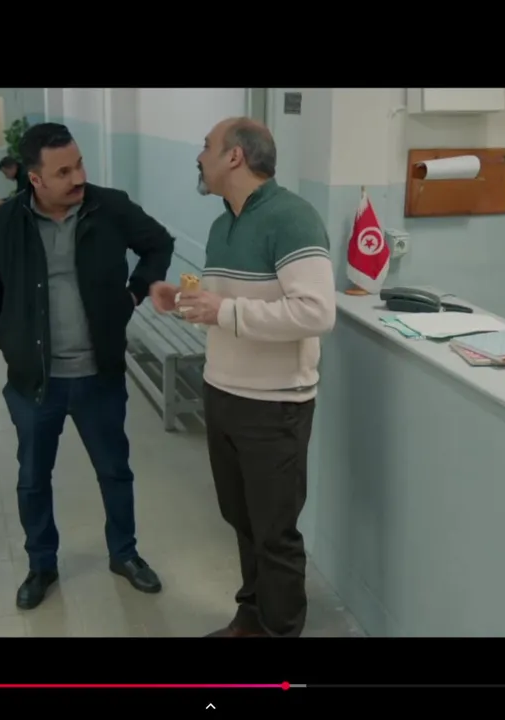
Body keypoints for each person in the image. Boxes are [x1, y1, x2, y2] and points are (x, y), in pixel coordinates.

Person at [0, 122, 179, 610]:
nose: (78, 177)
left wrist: (134, 292)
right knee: (33, 479)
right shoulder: (1, 226)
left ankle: (124, 554)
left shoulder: (110, 207)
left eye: (79, 164)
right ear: (34, 179)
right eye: (63, 172)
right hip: (34, 383)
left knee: (115, 471)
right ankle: (41, 565)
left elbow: (159, 243)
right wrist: (9, 340)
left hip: (99, 376)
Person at [175, 117, 335, 638]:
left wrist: (223, 311)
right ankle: (251, 618)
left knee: (274, 533)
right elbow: (228, 306)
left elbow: (316, 312)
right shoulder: (223, 224)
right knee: (242, 520)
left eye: (207, 147)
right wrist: (191, 304)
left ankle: (280, 631)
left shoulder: (292, 218)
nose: (199, 157)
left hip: (274, 404)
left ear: (235, 157)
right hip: (223, 391)